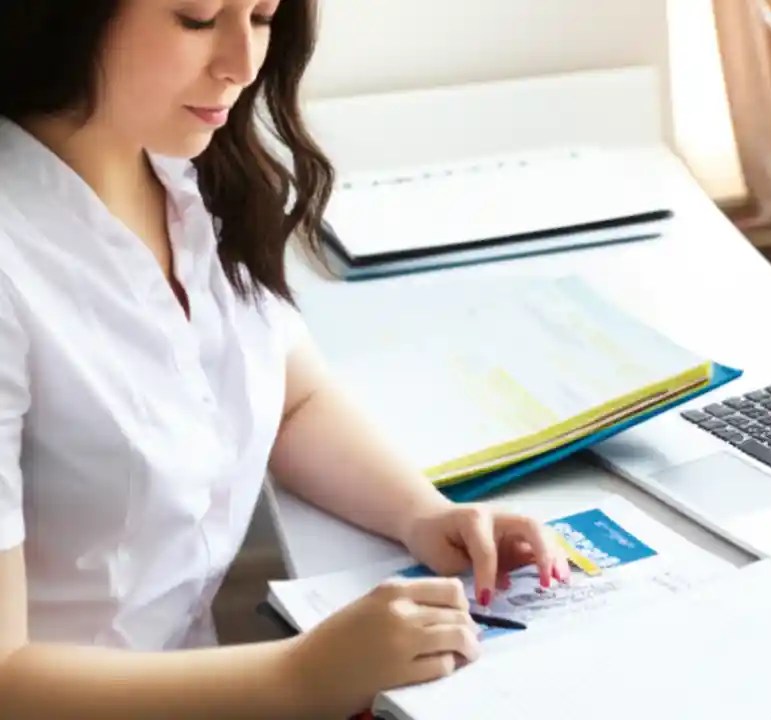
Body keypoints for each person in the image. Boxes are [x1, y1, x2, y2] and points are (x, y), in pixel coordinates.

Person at [0, 1, 571, 717]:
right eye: (197, 18)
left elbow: (292, 398)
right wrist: (300, 677)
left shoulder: (192, 172)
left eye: (263, 15)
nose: (240, 64)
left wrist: (423, 514)